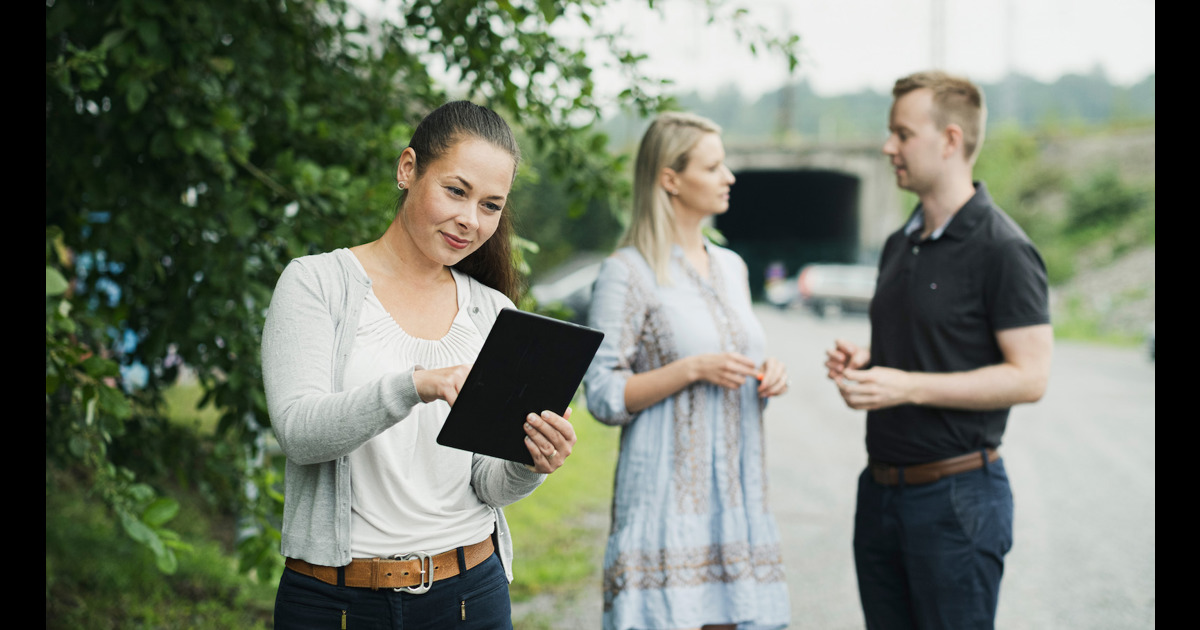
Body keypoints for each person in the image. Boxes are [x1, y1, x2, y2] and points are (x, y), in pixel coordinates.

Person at [261, 100, 576, 629]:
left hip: (470, 596)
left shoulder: (493, 312)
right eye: (456, 191)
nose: (470, 220)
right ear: (408, 169)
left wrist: (529, 462)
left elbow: (486, 483)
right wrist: (411, 386)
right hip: (334, 603)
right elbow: (299, 433)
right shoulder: (317, 284)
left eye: (491, 205)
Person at [825, 71, 1054, 630]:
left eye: (902, 134)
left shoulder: (1004, 249)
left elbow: (1030, 377)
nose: (888, 147)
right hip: (879, 496)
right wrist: (868, 366)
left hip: (957, 504)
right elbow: (923, 350)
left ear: (950, 141)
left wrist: (907, 385)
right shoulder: (898, 244)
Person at [584, 111, 791, 630]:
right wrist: (690, 368)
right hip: (664, 503)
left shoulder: (734, 268)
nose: (730, 178)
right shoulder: (626, 272)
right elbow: (603, 394)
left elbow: (736, 357)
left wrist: (767, 376)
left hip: (737, 501)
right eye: (715, 166)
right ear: (670, 179)